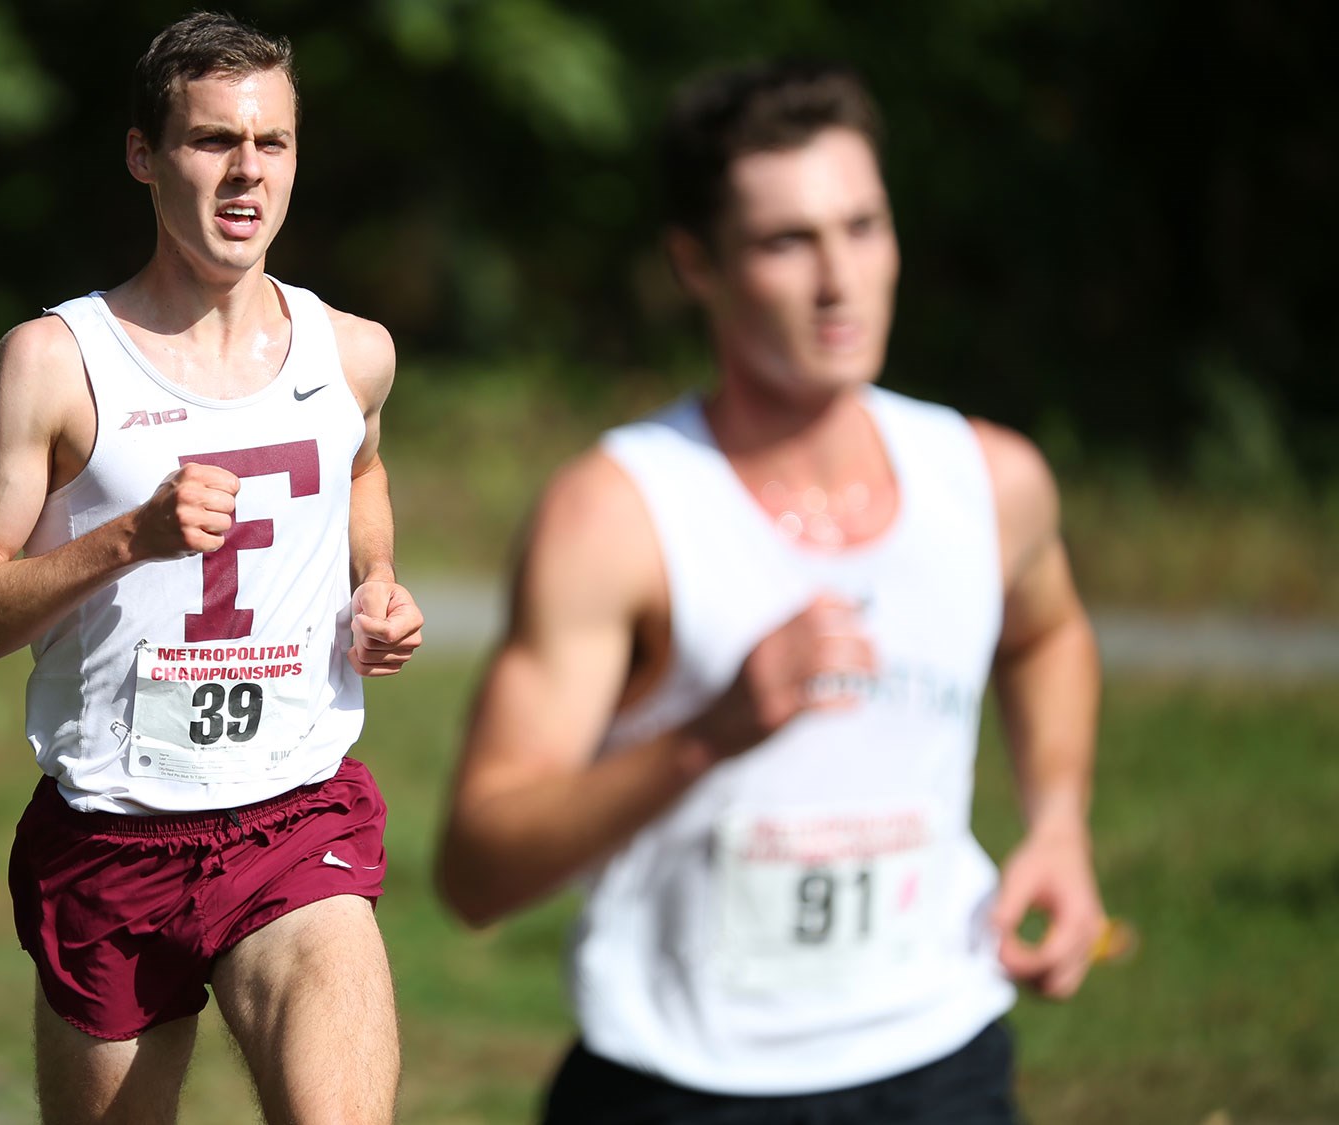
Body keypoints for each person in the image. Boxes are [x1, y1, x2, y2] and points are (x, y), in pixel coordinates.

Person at [436, 60, 1105, 1124]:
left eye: (862, 226)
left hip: (943, 1057)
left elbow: (1045, 634)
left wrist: (1057, 825)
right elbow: (475, 871)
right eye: (786, 242)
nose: (838, 279)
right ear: (693, 263)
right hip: (684, 1084)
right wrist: (707, 733)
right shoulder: (614, 514)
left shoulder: (989, 480)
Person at [0, 13, 423, 1124]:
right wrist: (121, 543)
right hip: (111, 839)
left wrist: (372, 583)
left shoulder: (351, 352)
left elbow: (362, 470)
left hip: (296, 817)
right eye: (209, 141)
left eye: (271, 142)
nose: (246, 170)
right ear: (143, 155)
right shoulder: (53, 366)